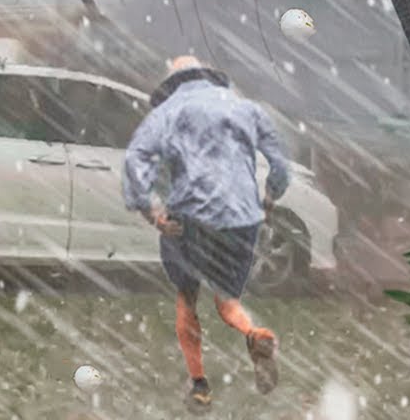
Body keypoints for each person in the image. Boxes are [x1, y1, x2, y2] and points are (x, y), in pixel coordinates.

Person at [122, 55, 289, 413]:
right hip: (241, 220)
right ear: (210, 77)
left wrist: (151, 211)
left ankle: (199, 385)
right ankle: (256, 336)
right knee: (228, 301)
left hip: (189, 220)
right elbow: (280, 164)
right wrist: (270, 197)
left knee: (186, 298)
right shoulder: (247, 109)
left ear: (173, 83)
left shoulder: (168, 112)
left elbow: (137, 159)